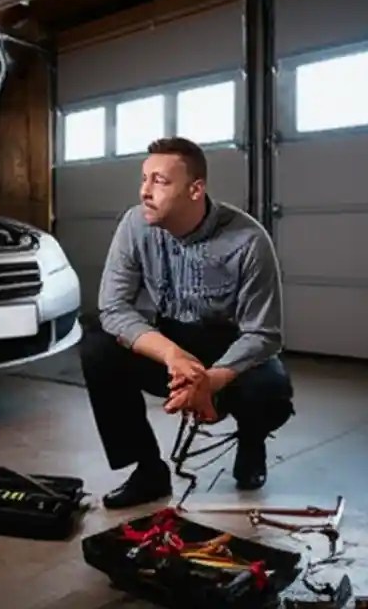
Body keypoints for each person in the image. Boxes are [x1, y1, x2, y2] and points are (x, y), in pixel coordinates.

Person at [79, 137, 294, 509]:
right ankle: (148, 471)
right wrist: (173, 357)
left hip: (230, 349)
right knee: (97, 346)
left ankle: (252, 441)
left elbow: (264, 334)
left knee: (271, 389)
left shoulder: (248, 239)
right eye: (144, 179)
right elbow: (113, 308)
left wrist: (210, 381)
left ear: (196, 189)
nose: (145, 191)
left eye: (159, 181)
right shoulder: (135, 225)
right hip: (172, 341)